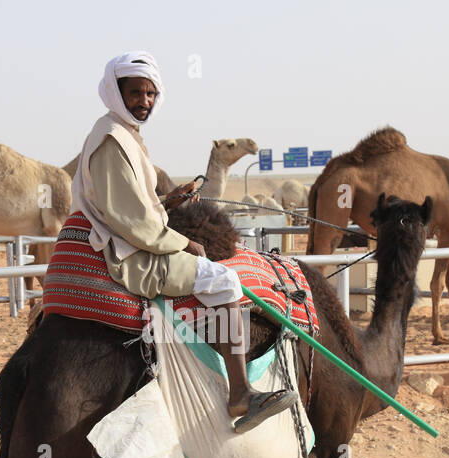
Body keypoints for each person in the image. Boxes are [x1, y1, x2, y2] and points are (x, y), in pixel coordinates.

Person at [70, 50, 297, 430]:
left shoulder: (121, 133)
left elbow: (132, 207)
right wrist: (181, 242)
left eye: (150, 93)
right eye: (136, 93)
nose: (144, 101)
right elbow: (132, 222)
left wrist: (167, 202)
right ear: (115, 91)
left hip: (128, 239)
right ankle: (240, 392)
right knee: (224, 280)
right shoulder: (112, 139)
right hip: (128, 254)